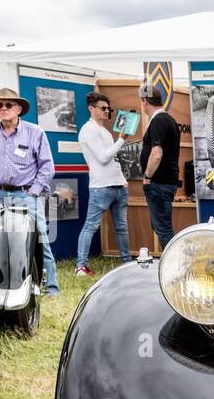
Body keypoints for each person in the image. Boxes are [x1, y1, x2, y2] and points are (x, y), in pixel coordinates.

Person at [0, 87, 59, 296]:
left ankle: (51, 288)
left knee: (40, 241)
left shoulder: (35, 132)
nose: (3, 108)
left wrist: (33, 191)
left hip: (25, 195)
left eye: (8, 104)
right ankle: (2, 287)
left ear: (19, 109)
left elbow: (47, 167)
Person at [75, 91, 131, 276]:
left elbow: (112, 159)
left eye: (109, 108)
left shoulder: (105, 131)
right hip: (101, 186)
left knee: (122, 227)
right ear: (91, 108)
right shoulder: (88, 130)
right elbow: (103, 157)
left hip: (117, 185)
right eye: (103, 108)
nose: (107, 111)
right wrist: (122, 139)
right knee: (91, 225)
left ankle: (126, 262)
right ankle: (81, 266)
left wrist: (122, 181)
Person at [140, 85, 180, 246]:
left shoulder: (158, 121)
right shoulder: (169, 119)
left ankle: (173, 266)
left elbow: (156, 153)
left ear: (144, 101)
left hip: (158, 182)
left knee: (163, 229)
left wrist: (147, 177)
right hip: (166, 182)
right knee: (160, 227)